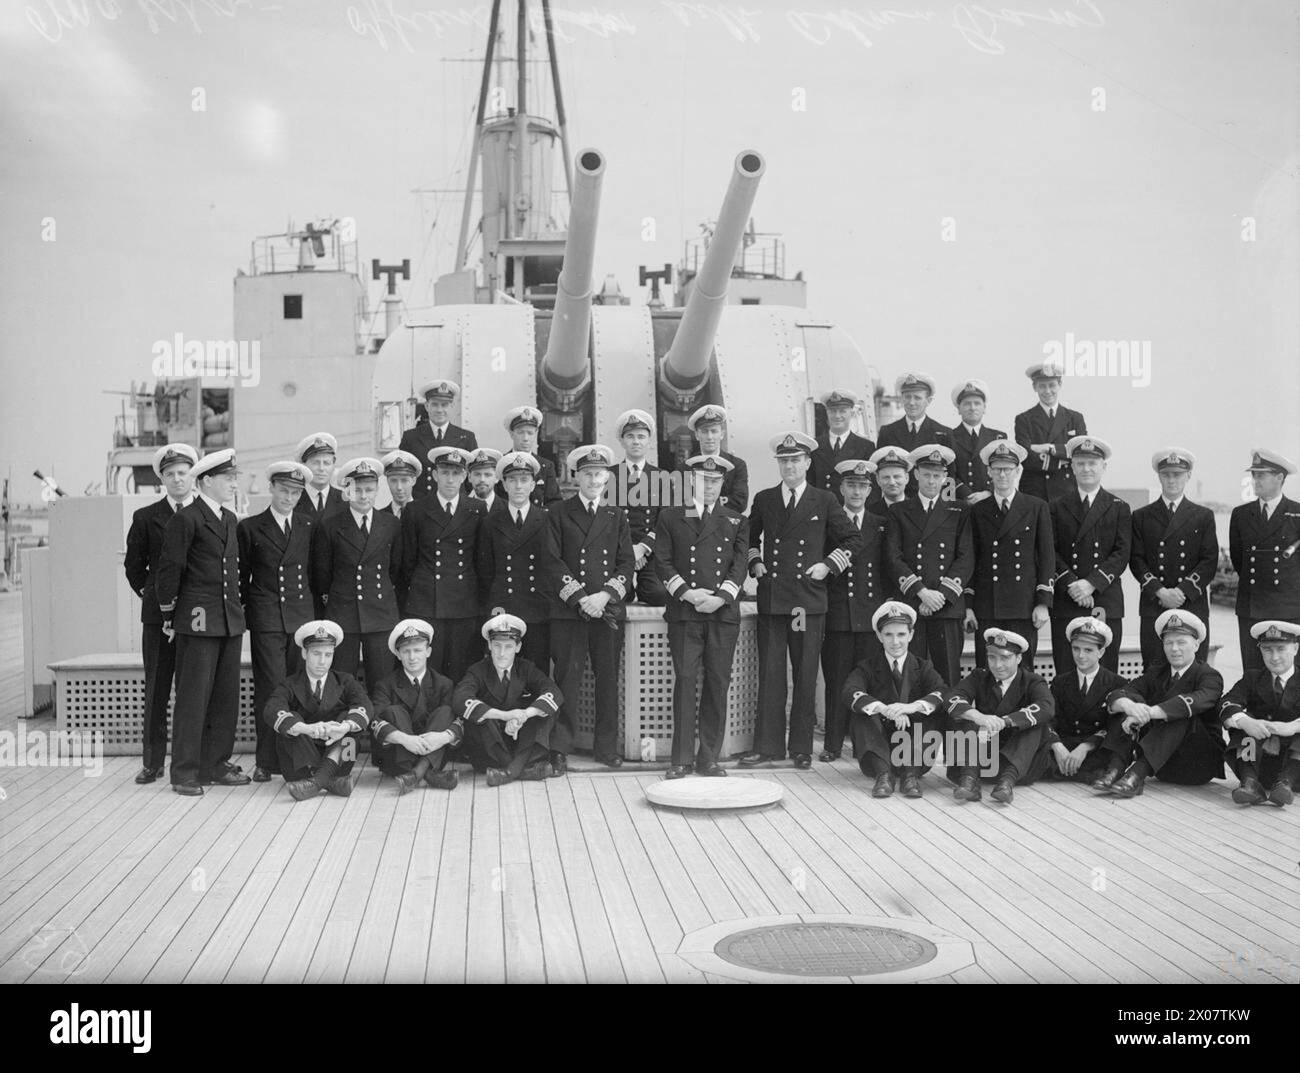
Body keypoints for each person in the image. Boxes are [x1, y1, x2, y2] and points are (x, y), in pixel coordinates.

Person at [739, 431, 861, 769]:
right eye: (784, 461)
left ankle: (801, 748)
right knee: (772, 673)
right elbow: (749, 536)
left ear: (807, 463)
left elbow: (852, 538)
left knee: (806, 673)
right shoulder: (765, 499)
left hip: (805, 602)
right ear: (778, 464)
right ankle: (768, 747)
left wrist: (827, 565)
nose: (790, 466)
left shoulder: (824, 500)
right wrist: (755, 561)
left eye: (795, 460)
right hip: (775, 598)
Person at [154, 448, 251, 796]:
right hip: (197, 621)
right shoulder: (188, 519)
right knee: (194, 698)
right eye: (228, 479)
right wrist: (169, 613)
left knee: (226, 698)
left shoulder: (227, 518)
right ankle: (184, 771)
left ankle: (214, 764)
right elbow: (170, 570)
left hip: (228, 621)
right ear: (207, 480)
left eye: (234, 478)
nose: (233, 484)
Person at [653, 454, 749, 778]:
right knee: (685, 681)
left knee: (718, 683)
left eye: (716, 480)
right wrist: (689, 594)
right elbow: (662, 562)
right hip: (685, 611)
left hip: (721, 614)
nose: (709, 486)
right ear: (692, 480)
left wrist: (721, 597)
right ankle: (680, 759)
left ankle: (708, 756)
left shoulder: (736, 519)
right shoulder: (670, 516)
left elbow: (739, 566)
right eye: (704, 480)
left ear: (723, 483)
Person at [548, 444, 635, 771]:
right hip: (570, 610)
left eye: (599, 474)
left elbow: (626, 564)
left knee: (607, 681)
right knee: (567, 680)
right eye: (587, 473)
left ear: (607, 478)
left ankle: (606, 748)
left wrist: (604, 597)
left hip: (606, 611)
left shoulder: (617, 516)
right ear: (577, 476)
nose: (593, 479)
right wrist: (581, 597)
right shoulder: (558, 512)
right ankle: (560, 749)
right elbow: (552, 561)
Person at [238, 460, 316, 782]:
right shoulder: (251, 527)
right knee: (271, 689)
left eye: (296, 492)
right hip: (267, 617)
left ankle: (297, 759)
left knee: (299, 688)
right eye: (284, 490)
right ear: (271, 488)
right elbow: (243, 577)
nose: (289, 497)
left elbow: (315, 573)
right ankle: (266, 761)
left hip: (300, 617)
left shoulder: (308, 526)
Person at [124, 442, 197, 785]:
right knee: (156, 689)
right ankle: (152, 762)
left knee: (192, 689)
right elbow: (134, 567)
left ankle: (193, 761)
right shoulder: (146, 517)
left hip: (196, 615)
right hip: (157, 618)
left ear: (193, 476)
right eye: (170, 475)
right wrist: (152, 596)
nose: (178, 480)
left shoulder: (205, 514)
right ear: (162, 480)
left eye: (183, 473)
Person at [1098, 610, 1224, 797]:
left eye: (1181, 642)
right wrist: (1129, 706)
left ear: (1196, 645)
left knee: (1179, 712)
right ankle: (1115, 769)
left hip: (1198, 763)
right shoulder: (1157, 672)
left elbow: (1197, 701)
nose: (1174, 649)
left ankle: (1136, 775)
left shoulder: (1209, 676)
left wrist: (1149, 713)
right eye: (1168, 643)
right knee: (1130, 703)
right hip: (1163, 766)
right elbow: (1123, 691)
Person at [882, 445, 973, 686]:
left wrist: (940, 597)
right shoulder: (899, 511)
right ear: (916, 475)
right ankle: (916, 724)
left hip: (947, 605)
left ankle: (947, 723)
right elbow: (893, 558)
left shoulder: (959, 510)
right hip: (913, 603)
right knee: (912, 673)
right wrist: (921, 593)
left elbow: (966, 557)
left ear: (945, 478)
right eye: (926, 474)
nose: (931, 480)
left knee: (949, 673)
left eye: (937, 475)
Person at [309, 457, 403, 686]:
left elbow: (397, 568)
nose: (363, 496)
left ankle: (380, 722)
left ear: (377, 490)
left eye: (369, 489)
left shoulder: (390, 524)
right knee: (343, 680)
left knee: (382, 681)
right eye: (357, 489)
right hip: (343, 613)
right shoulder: (330, 525)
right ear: (347, 491)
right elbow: (322, 573)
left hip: (380, 614)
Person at [398, 446, 488, 685]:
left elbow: (482, 562)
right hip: (427, 602)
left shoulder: (476, 509)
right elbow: (407, 561)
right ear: (435, 475)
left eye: (456, 473)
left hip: (464, 603)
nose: (450, 479)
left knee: (460, 667)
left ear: (464, 476)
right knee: (429, 669)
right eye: (445, 472)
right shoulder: (416, 510)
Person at [843, 601, 948, 798]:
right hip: (877, 752)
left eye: (901, 634)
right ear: (878, 636)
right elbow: (850, 691)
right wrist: (883, 708)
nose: (895, 641)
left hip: (914, 752)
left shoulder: (923, 666)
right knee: (863, 712)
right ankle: (884, 776)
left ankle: (911, 776)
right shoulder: (867, 667)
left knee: (931, 711)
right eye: (888, 635)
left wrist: (909, 707)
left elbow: (942, 692)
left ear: (911, 634)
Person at [820, 459, 888, 762]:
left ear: (870, 490)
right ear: (841, 488)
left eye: (862, 486)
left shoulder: (880, 523)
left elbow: (886, 570)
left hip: (869, 616)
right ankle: (833, 744)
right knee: (836, 681)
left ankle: (866, 745)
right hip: (837, 615)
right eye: (851, 485)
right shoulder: (829, 521)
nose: (857, 491)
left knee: (868, 684)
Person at [964, 440, 1053, 666]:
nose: (1002, 475)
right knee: (988, 668)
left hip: (1023, 605)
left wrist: (1043, 602)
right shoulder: (977, 511)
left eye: (1007, 469)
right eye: (997, 469)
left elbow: (1046, 556)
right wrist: (968, 606)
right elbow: (971, 559)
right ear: (989, 472)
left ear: (1018, 471)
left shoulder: (1036, 507)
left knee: (1022, 668)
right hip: (988, 605)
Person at [944, 628, 1056, 804]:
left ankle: (1006, 783)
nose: (997, 665)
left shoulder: (1032, 681)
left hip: (1020, 764)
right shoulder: (979, 676)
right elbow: (952, 698)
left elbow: (1046, 707)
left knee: (1037, 725)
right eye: (992, 657)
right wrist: (978, 716)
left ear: (1019, 658)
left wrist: (1006, 722)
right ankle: (969, 781)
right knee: (963, 717)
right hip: (983, 762)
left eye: (1005, 658)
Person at [1129, 448, 1218, 669]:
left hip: (1191, 603)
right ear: (1159, 476)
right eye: (1166, 475)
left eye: (1177, 474)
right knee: (1155, 668)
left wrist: (1182, 592)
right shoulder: (1141, 516)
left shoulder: (1203, 516)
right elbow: (1136, 560)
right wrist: (1160, 591)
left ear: (1188, 476)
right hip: (1155, 604)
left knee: (1194, 669)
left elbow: (1209, 560)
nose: (1171, 480)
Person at [1048, 436, 1130, 675]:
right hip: (1068, 598)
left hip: (1104, 599)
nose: (1086, 469)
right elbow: (1050, 551)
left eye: (1092, 463)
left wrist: (1092, 584)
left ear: (1103, 467)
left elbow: (1122, 553)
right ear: (1072, 467)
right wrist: (1073, 584)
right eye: (1081, 463)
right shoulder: (1056, 506)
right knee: (1065, 669)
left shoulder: (1118, 507)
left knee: (1105, 671)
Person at [264, 620, 370, 801]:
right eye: (316, 653)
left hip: (339, 759)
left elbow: (365, 706)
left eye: (328, 655)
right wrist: (308, 729)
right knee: (293, 719)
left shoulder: (345, 681)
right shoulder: (290, 683)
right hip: (300, 765)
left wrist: (343, 727)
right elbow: (272, 709)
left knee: (350, 721)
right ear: (304, 653)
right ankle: (329, 781)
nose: (322, 661)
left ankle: (315, 783)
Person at [453, 614, 563, 785]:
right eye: (497, 646)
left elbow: (554, 692)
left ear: (518, 647)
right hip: (490, 752)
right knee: (480, 716)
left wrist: (524, 715)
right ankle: (520, 771)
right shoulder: (478, 670)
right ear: (489, 645)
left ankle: (509, 772)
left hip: (520, 743)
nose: (502, 653)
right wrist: (505, 716)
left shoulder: (525, 668)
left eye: (508, 646)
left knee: (547, 709)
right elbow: (460, 698)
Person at [477, 452, 557, 669]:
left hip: (538, 608)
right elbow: (485, 571)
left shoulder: (547, 520)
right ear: (503, 484)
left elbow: (552, 567)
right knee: (503, 668)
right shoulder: (491, 522)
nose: (518, 486)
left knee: (536, 668)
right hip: (504, 606)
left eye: (524, 480)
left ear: (533, 485)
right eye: (512, 480)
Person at [369, 619, 462, 793]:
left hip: (434, 750)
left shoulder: (443, 684)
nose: (412, 657)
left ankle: (415, 774)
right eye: (406, 651)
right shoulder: (386, 684)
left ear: (428, 651)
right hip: (398, 755)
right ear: (398, 654)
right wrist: (405, 739)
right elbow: (374, 721)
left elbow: (457, 721)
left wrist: (443, 738)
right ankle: (427, 773)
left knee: (446, 711)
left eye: (418, 650)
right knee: (393, 711)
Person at [1228, 448, 1300, 672]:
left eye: (1261, 475)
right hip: (1252, 607)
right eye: (1254, 475)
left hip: (1288, 608)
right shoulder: (1241, 514)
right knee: (1253, 670)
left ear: (1279, 478)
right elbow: (1238, 559)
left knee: (1290, 673)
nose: (1255, 480)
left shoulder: (1297, 514)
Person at [1218, 620, 1300, 807]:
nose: (1274, 657)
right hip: (1260, 762)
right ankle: (1250, 784)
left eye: (1281, 649)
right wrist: (1245, 721)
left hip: (1295, 765)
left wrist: (1293, 726)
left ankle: (1285, 784)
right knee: (1242, 722)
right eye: (1267, 650)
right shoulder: (1253, 678)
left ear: (1295, 648)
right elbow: (1227, 702)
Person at [1045, 617, 1125, 783]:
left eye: (1088, 650)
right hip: (1065, 748)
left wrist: (1085, 747)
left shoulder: (1116, 683)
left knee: (1112, 755)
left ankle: (1076, 772)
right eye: (1076, 649)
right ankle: (1077, 772)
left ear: (1101, 652)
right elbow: (1049, 719)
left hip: (1095, 748)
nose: (1080, 656)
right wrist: (1057, 746)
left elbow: (1113, 727)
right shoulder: (1060, 682)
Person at [607, 409, 670, 606]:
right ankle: (628, 588)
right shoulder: (608, 476)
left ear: (649, 440)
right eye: (630, 436)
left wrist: (642, 548)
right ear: (622, 440)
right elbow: (604, 519)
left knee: (658, 594)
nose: (636, 441)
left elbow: (665, 520)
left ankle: (643, 585)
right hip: (616, 550)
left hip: (649, 550)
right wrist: (628, 551)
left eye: (641, 436)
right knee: (619, 595)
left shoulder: (662, 477)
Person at [1014, 361, 1087, 502]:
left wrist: (1050, 448)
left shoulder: (1075, 418)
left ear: (1060, 385)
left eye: (1052, 385)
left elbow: (1080, 451)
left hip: (1067, 489)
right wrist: (1062, 459)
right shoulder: (1024, 419)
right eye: (1042, 386)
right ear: (1034, 387)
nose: (1047, 391)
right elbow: (1025, 456)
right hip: (1035, 491)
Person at [399, 379, 478, 499]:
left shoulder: (467, 437)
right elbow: (404, 475)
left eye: (444, 405)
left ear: (452, 406)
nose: (439, 410)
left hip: (455, 508)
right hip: (422, 507)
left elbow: (472, 478)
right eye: (435, 404)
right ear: (426, 406)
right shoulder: (410, 437)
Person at [876, 372, 952, 495]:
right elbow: (879, 472)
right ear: (901, 399)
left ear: (928, 401)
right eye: (907, 397)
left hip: (930, 502)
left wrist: (945, 509)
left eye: (917, 397)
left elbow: (950, 476)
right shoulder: (887, 432)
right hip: (897, 503)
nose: (911, 402)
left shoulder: (943, 434)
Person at [809, 389, 875, 502]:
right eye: (832, 411)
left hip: (850, 510)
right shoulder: (814, 446)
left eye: (842, 411)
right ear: (827, 413)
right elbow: (810, 485)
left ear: (851, 413)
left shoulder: (866, 447)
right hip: (822, 510)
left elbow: (872, 489)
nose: (837, 416)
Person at [679, 405, 748, 512]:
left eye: (714, 431)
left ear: (722, 434)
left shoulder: (737, 466)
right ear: (697, 435)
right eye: (705, 431)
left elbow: (740, 503)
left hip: (726, 525)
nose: (710, 437)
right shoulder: (686, 467)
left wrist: (701, 503)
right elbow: (681, 503)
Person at [948, 379, 1006, 503]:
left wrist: (988, 492)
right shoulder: (949, 437)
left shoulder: (998, 438)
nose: (972, 408)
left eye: (977, 403)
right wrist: (967, 495)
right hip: (961, 502)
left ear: (984, 407)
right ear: (958, 408)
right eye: (967, 404)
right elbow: (947, 473)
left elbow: (1003, 470)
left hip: (990, 500)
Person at [497, 405, 562, 506]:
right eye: (521, 432)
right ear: (511, 433)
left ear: (536, 433)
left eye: (530, 433)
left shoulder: (546, 466)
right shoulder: (500, 463)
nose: (526, 438)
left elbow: (554, 502)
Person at [293, 432, 344, 520]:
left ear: (333, 465)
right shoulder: (291, 501)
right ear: (304, 466)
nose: (321, 468)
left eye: (326, 463)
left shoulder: (345, 501)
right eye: (315, 463)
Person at [864, 446, 910, 516]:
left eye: (896, 477)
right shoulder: (869, 513)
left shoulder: (920, 510)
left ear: (906, 478)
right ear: (878, 480)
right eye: (886, 477)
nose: (892, 482)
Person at [378, 449, 421, 520]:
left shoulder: (426, 516)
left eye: (404, 480)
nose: (399, 487)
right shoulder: (378, 519)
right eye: (393, 481)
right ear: (387, 481)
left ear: (414, 481)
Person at [467, 447, 503, 513]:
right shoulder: (460, 509)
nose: (482, 480)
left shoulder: (508, 510)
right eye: (477, 474)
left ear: (497, 477)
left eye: (487, 475)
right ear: (469, 477)